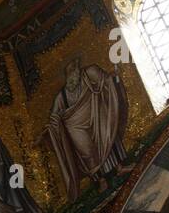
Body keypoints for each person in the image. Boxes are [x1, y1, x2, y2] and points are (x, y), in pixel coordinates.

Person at [41, 58, 129, 197]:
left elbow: (105, 80)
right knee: (88, 153)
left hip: (95, 115)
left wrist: (113, 77)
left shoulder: (89, 73)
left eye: (74, 73)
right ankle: (100, 180)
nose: (72, 78)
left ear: (78, 71)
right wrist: (49, 130)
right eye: (69, 75)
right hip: (75, 128)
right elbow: (54, 116)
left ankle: (120, 167)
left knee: (107, 135)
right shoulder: (61, 96)